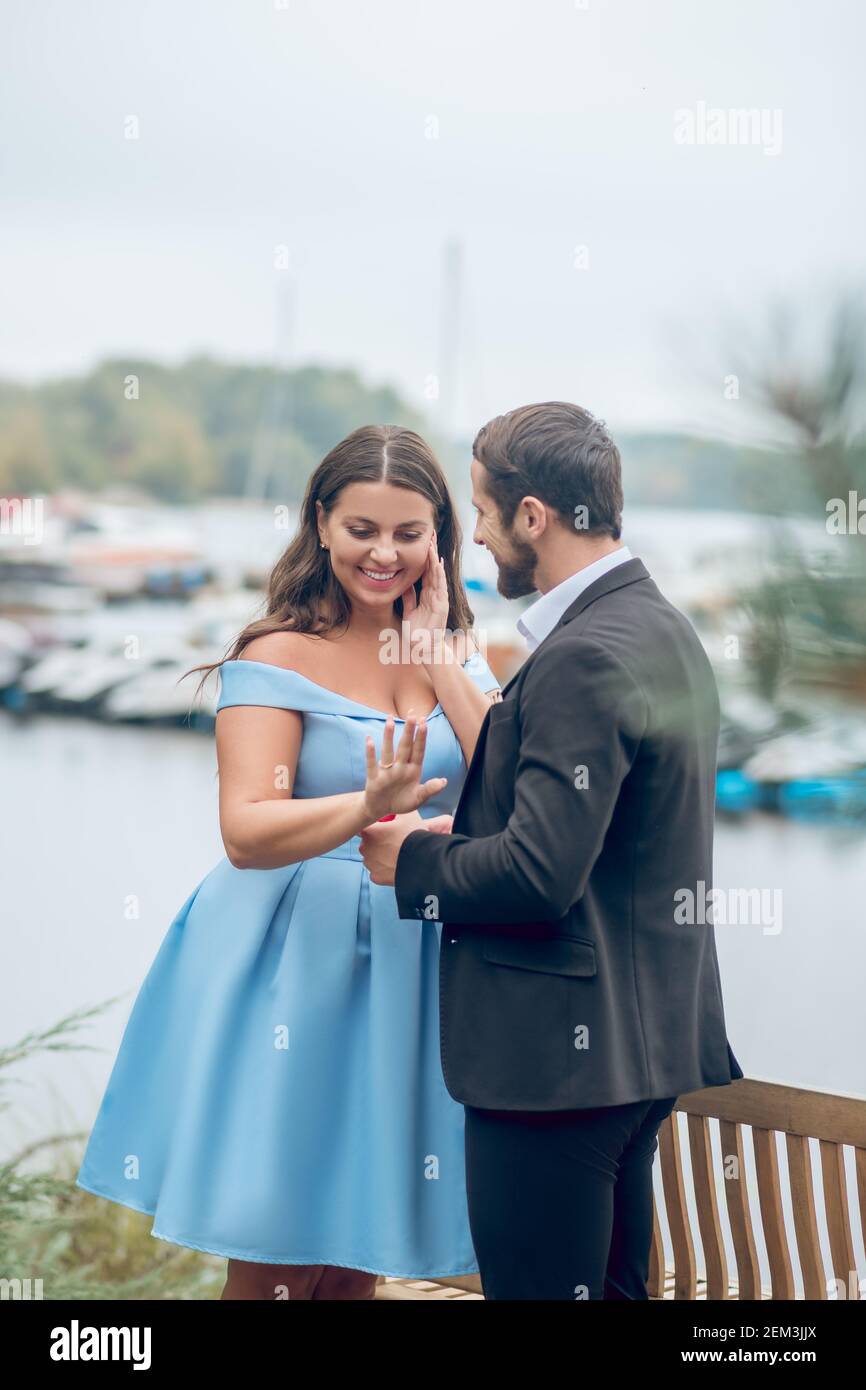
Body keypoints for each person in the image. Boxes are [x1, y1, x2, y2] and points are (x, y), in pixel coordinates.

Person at [75, 424, 502, 1300]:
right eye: (361, 530)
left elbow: (513, 770)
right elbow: (246, 829)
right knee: (276, 1249)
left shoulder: (457, 652)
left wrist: (440, 661)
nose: (384, 554)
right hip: (293, 966)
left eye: (407, 533)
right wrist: (365, 807)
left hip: (414, 957)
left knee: (358, 1246)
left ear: (440, 537)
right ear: (320, 524)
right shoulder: (275, 654)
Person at [360, 401, 744, 1301]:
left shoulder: (581, 656)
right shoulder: (659, 628)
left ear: (535, 515)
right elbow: (597, 833)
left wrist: (410, 864)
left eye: (486, 516)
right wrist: (445, 669)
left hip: (557, 1073)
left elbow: (539, 875)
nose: (480, 539)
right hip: (638, 1054)